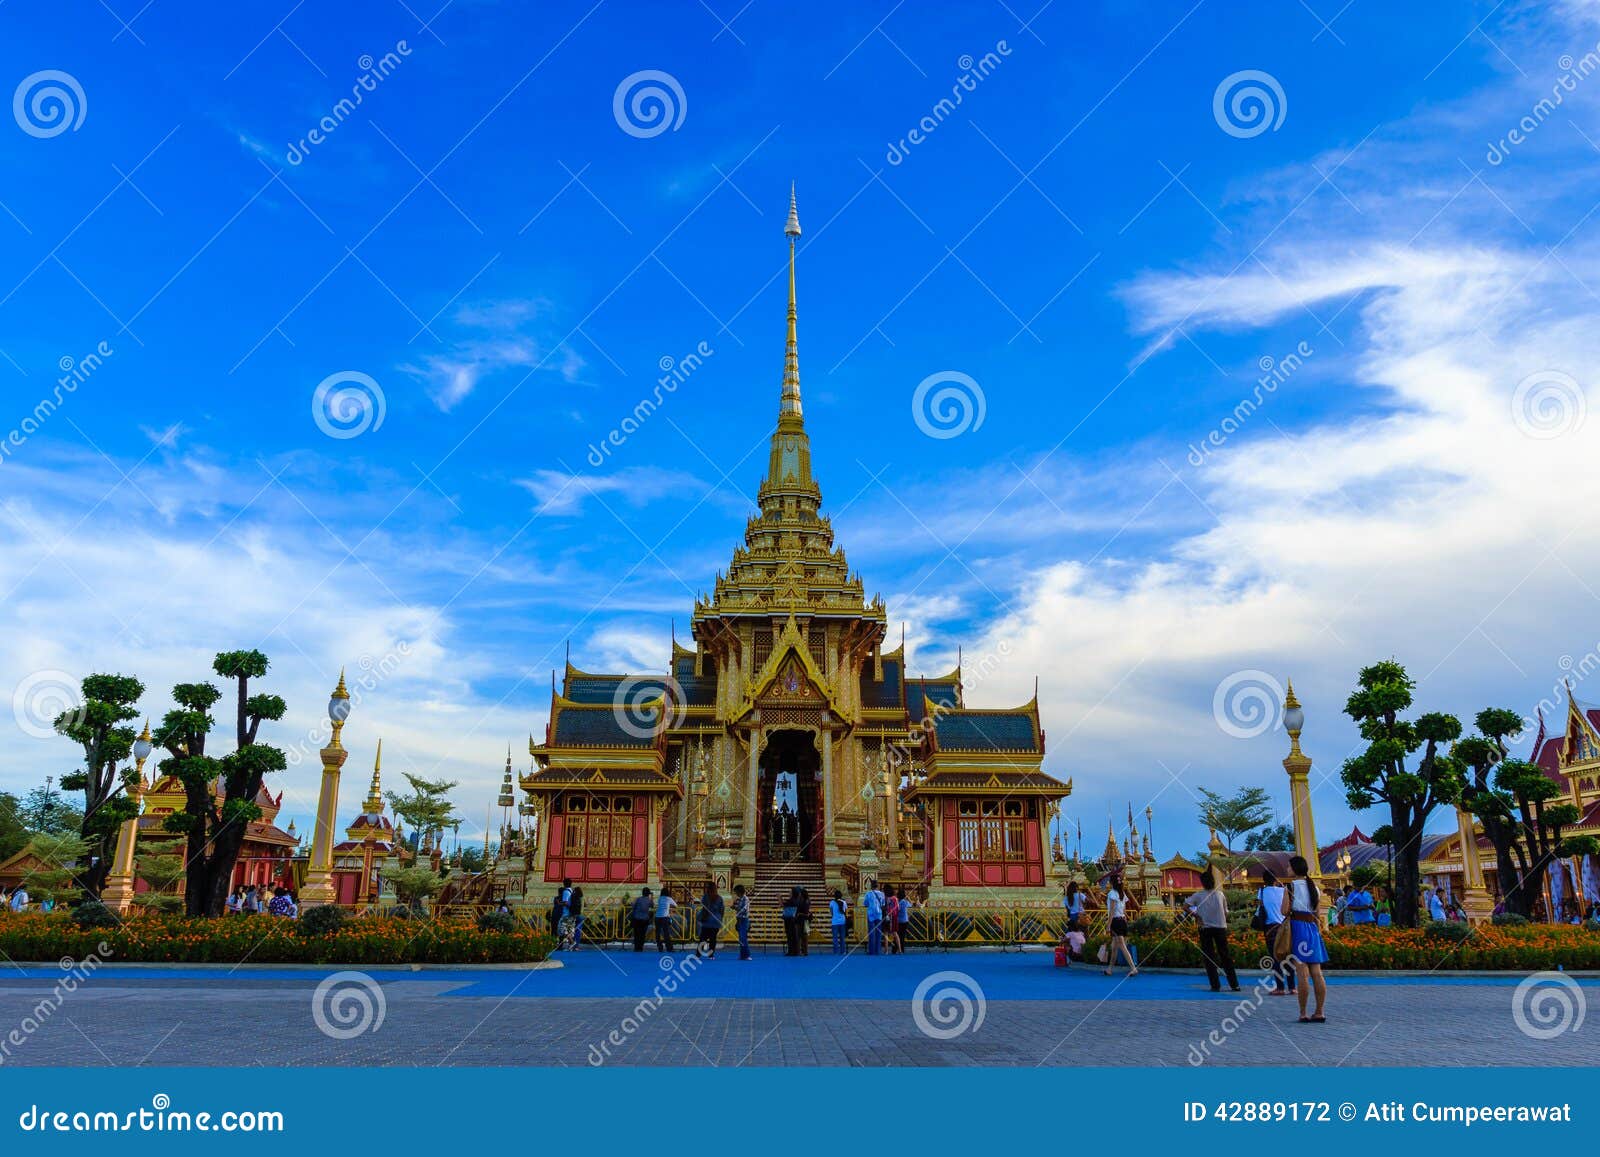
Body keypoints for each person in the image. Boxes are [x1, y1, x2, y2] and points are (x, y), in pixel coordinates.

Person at [1283, 855, 1328, 1023]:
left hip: (1297, 928)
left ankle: (1303, 1012)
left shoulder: (1290, 886)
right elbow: (1317, 913)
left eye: (1289, 867)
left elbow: (1283, 910)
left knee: (1302, 974)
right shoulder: (1314, 887)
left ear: (1295, 869)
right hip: (1312, 928)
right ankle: (1320, 1011)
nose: (1287, 869)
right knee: (1317, 972)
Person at [1185, 869, 1239, 992]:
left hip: (1206, 928)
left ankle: (1215, 985)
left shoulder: (1199, 896)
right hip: (1220, 928)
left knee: (1209, 957)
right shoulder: (1220, 894)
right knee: (1226, 956)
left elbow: (1185, 906)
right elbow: (1226, 912)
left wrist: (1197, 916)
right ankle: (1234, 984)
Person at [1257, 870, 1294, 996]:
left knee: (1276, 957)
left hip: (1270, 928)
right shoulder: (1284, 890)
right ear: (1275, 879)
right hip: (1284, 926)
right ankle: (1292, 987)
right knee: (1288, 955)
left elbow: (1260, 910)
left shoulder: (1261, 892)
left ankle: (1280, 987)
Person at [1102, 874, 1136, 977]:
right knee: (1114, 947)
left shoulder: (1112, 893)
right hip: (1122, 920)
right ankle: (1110, 969)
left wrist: (1108, 925)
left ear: (1112, 883)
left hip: (1116, 921)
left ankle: (1133, 968)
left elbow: (1112, 911)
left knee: (1121, 945)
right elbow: (1124, 910)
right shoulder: (1122, 893)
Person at [697, 882, 723, 957]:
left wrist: (702, 918)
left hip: (707, 920)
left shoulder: (706, 897)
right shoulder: (719, 898)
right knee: (713, 939)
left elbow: (704, 908)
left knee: (703, 938)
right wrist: (720, 918)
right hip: (716, 921)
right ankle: (711, 954)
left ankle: (699, 954)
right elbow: (722, 910)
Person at [863, 878, 884, 955]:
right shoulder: (882, 894)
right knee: (878, 933)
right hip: (879, 915)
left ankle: (871, 951)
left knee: (871, 933)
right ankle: (878, 950)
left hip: (871, 915)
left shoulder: (868, 894)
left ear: (871, 886)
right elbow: (883, 904)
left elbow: (865, 903)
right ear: (877, 886)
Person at [630, 887, 654, 951]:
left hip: (637, 918)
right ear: (648, 893)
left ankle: (636, 947)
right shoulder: (649, 900)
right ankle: (641, 947)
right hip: (645, 919)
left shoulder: (638, 899)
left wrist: (631, 904)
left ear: (642, 893)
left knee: (637, 933)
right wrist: (652, 896)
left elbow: (633, 906)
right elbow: (652, 905)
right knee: (643, 934)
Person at [655, 885, 677, 953]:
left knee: (658, 933)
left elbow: (656, 904)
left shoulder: (659, 898)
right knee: (666, 933)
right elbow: (675, 905)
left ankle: (660, 947)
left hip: (657, 917)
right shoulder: (669, 898)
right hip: (664, 917)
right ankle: (669, 948)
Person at [734, 883, 752, 961]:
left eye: (736, 892)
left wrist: (735, 908)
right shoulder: (739, 899)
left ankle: (747, 955)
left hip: (744, 920)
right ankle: (742, 955)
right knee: (741, 938)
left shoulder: (745, 899)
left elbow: (744, 910)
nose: (736, 894)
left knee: (743, 938)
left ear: (739, 891)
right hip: (739, 919)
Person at [781, 887, 801, 956]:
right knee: (794, 936)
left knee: (790, 936)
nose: (789, 893)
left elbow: (783, 905)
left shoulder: (792, 900)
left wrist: (779, 898)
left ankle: (791, 951)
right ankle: (795, 951)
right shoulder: (796, 900)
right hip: (794, 920)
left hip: (790, 920)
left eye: (790, 892)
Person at [829, 888, 849, 954]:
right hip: (842, 921)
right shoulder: (844, 902)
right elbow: (846, 912)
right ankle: (843, 951)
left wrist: (834, 916)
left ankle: (836, 951)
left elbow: (831, 912)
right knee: (842, 937)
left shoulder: (832, 902)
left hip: (835, 921)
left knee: (835, 938)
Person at [883, 886, 899, 954]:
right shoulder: (895, 898)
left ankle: (886, 951)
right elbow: (898, 908)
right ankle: (900, 950)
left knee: (886, 933)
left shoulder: (886, 898)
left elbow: (884, 907)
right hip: (894, 917)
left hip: (887, 917)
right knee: (895, 933)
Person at [795, 887, 812, 956]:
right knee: (804, 936)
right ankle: (804, 951)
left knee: (800, 936)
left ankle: (800, 951)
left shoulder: (802, 901)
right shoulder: (807, 900)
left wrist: (799, 913)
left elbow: (804, 911)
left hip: (801, 920)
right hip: (805, 920)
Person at [894, 888, 911, 953]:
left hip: (897, 921)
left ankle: (894, 949)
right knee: (902, 936)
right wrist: (908, 898)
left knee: (896, 936)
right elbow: (911, 905)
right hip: (904, 921)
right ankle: (902, 949)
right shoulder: (905, 902)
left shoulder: (896, 902)